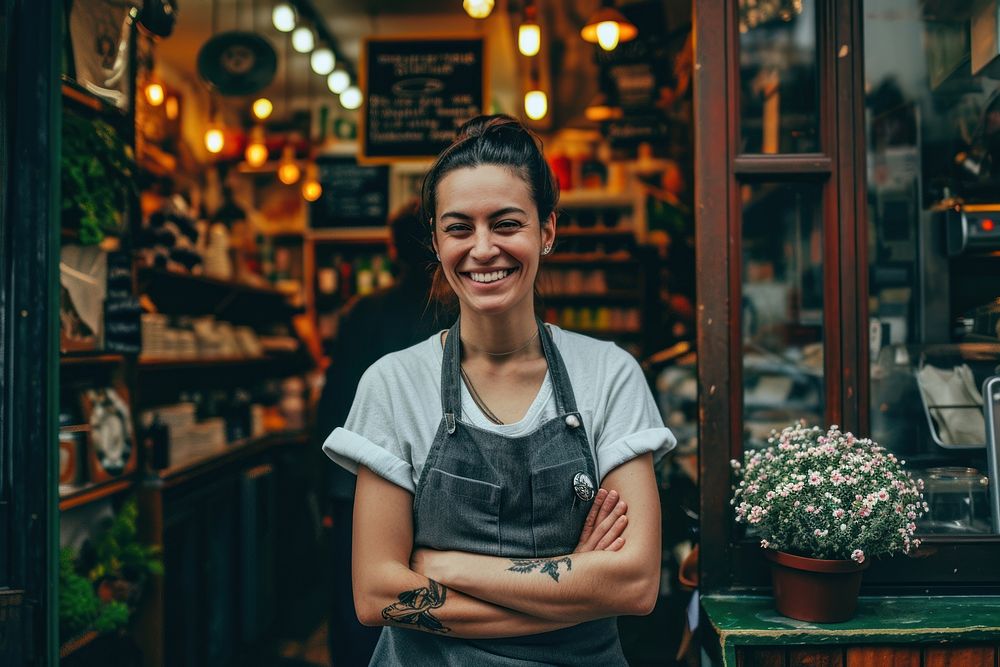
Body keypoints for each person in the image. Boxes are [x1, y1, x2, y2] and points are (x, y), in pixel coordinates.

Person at [322, 114, 675, 665]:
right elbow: (375, 595)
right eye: (459, 227)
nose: (483, 248)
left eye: (507, 224)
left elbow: (633, 585)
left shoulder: (609, 375)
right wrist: (574, 589)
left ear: (547, 231)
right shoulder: (393, 384)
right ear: (436, 241)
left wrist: (443, 565)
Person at [316, 200, 447, 666]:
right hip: (436, 485)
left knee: (358, 604)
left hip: (354, 481)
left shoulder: (363, 312)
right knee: (425, 597)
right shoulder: (456, 313)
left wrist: (325, 487)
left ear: (393, 250)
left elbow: (332, 404)